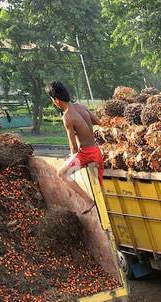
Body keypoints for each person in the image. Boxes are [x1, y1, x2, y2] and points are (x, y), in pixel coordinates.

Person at [47, 81, 101, 215]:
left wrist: (71, 159)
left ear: (57, 100)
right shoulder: (81, 106)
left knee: (62, 173)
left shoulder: (67, 117)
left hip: (87, 155)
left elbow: (74, 147)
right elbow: (99, 122)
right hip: (96, 150)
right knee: (70, 165)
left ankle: (88, 201)